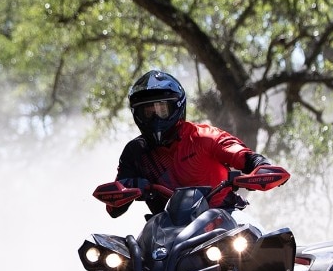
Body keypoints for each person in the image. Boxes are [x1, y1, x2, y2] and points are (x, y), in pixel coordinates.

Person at [105, 69, 270, 218]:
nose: (155, 118)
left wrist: (261, 166)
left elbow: (242, 155)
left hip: (224, 217)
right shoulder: (135, 152)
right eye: (148, 112)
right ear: (137, 114)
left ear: (177, 107)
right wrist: (130, 186)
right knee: (127, 248)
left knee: (262, 240)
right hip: (166, 230)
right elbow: (113, 210)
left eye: (162, 110)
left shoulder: (205, 137)